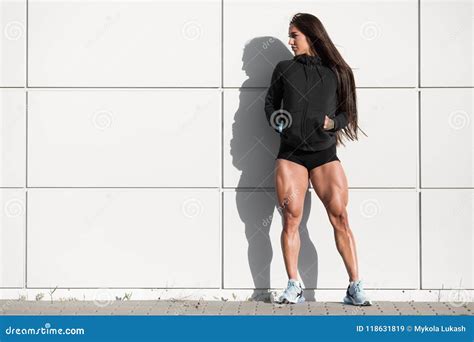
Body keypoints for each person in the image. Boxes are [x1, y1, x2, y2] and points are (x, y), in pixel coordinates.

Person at [264, 13, 372, 306]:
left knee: (340, 215)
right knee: (291, 217)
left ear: (310, 36)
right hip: (291, 155)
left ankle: (354, 286)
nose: (290, 41)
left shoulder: (335, 72)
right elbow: (271, 103)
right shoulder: (283, 69)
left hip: (324, 153)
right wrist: (279, 121)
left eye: (294, 35)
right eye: (289, 35)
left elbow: (346, 113)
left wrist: (331, 125)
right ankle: (293, 285)